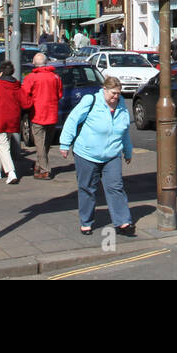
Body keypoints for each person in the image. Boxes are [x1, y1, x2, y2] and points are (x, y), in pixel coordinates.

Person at [59, 75, 133, 237]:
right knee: (87, 188)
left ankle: (123, 222)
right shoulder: (90, 101)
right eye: (113, 93)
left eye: (118, 94)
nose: (115, 97)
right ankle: (86, 222)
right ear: (104, 90)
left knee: (116, 187)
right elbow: (72, 120)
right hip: (86, 153)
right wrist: (65, 143)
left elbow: (124, 131)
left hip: (112, 154)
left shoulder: (121, 106)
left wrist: (128, 151)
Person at [21, 53, 64, 180]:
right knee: (46, 144)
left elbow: (25, 95)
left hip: (37, 114)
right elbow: (59, 94)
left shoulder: (31, 78)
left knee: (40, 144)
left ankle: (44, 169)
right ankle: (39, 165)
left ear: (34, 63)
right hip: (52, 114)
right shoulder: (55, 77)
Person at [0, 60, 24, 184]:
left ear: (0, 72)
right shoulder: (17, 86)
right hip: (13, 120)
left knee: (2, 146)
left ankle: (11, 172)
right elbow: (25, 102)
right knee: (0, 145)